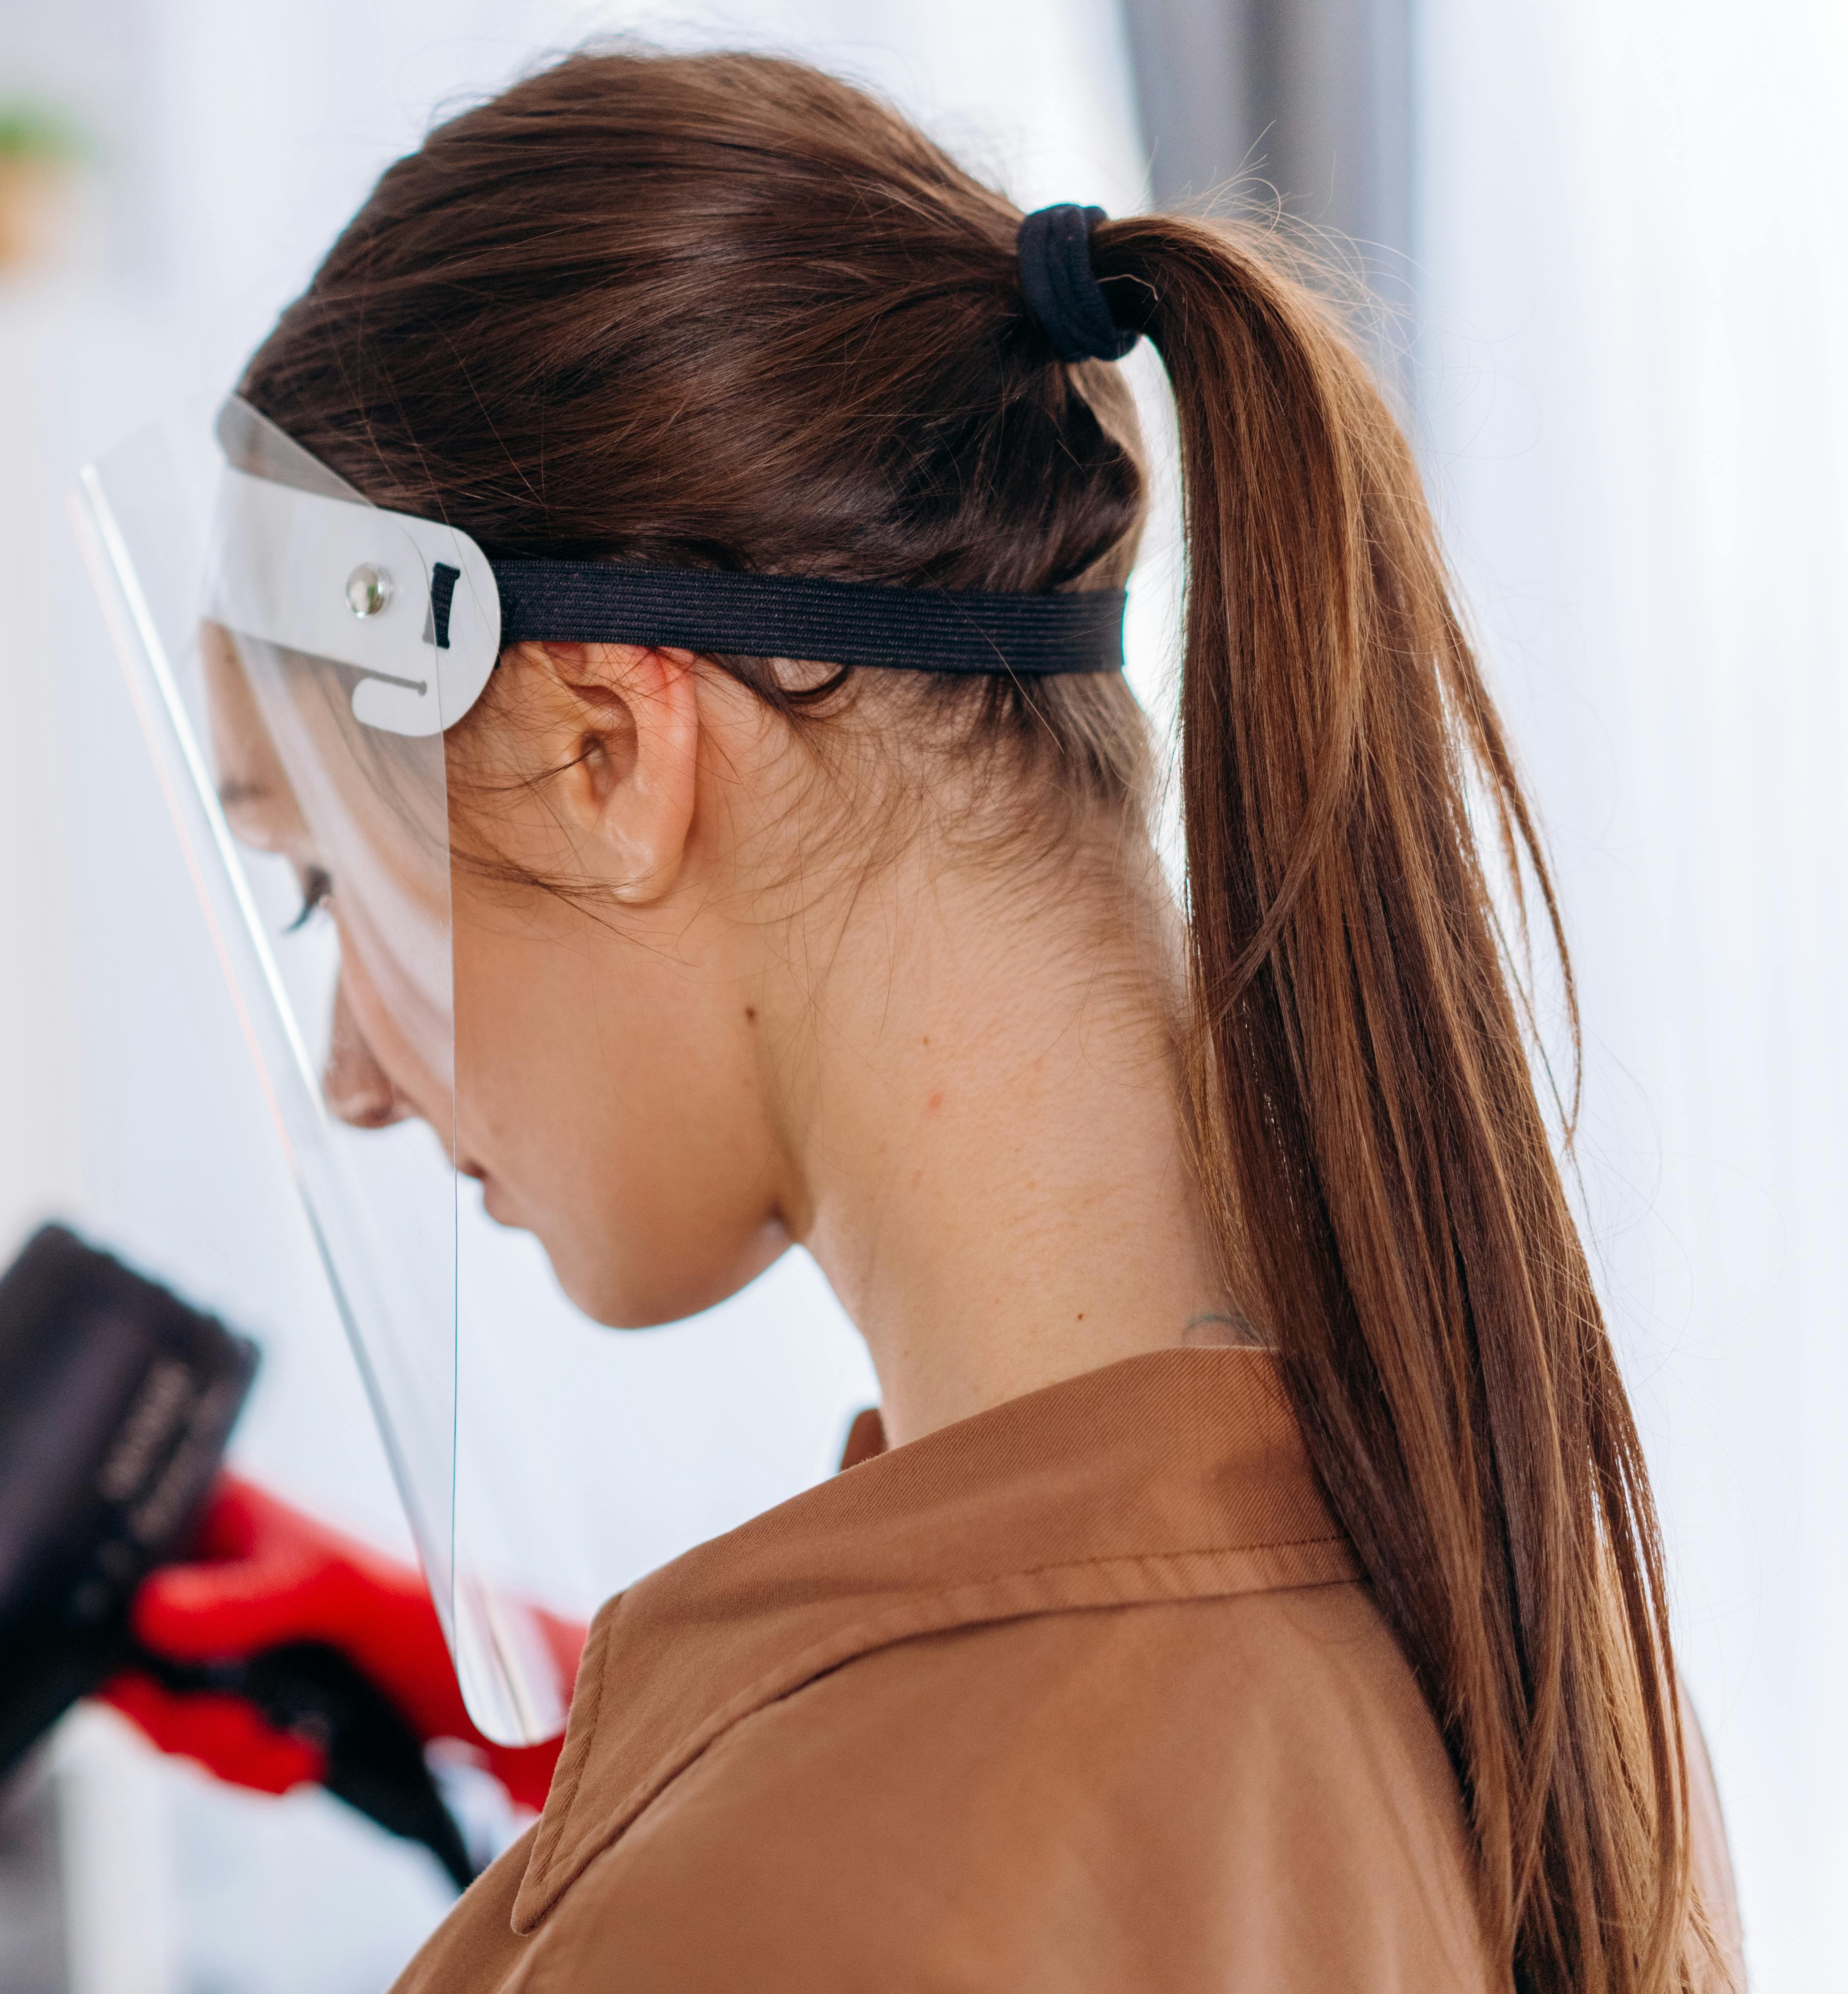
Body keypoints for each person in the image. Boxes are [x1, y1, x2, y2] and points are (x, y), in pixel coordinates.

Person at [88, 45, 1740, 1993]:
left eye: (324, 880)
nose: (357, 1072)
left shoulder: (779, 1901)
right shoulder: (1537, 1627)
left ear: (605, 751)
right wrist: (611, 1765)